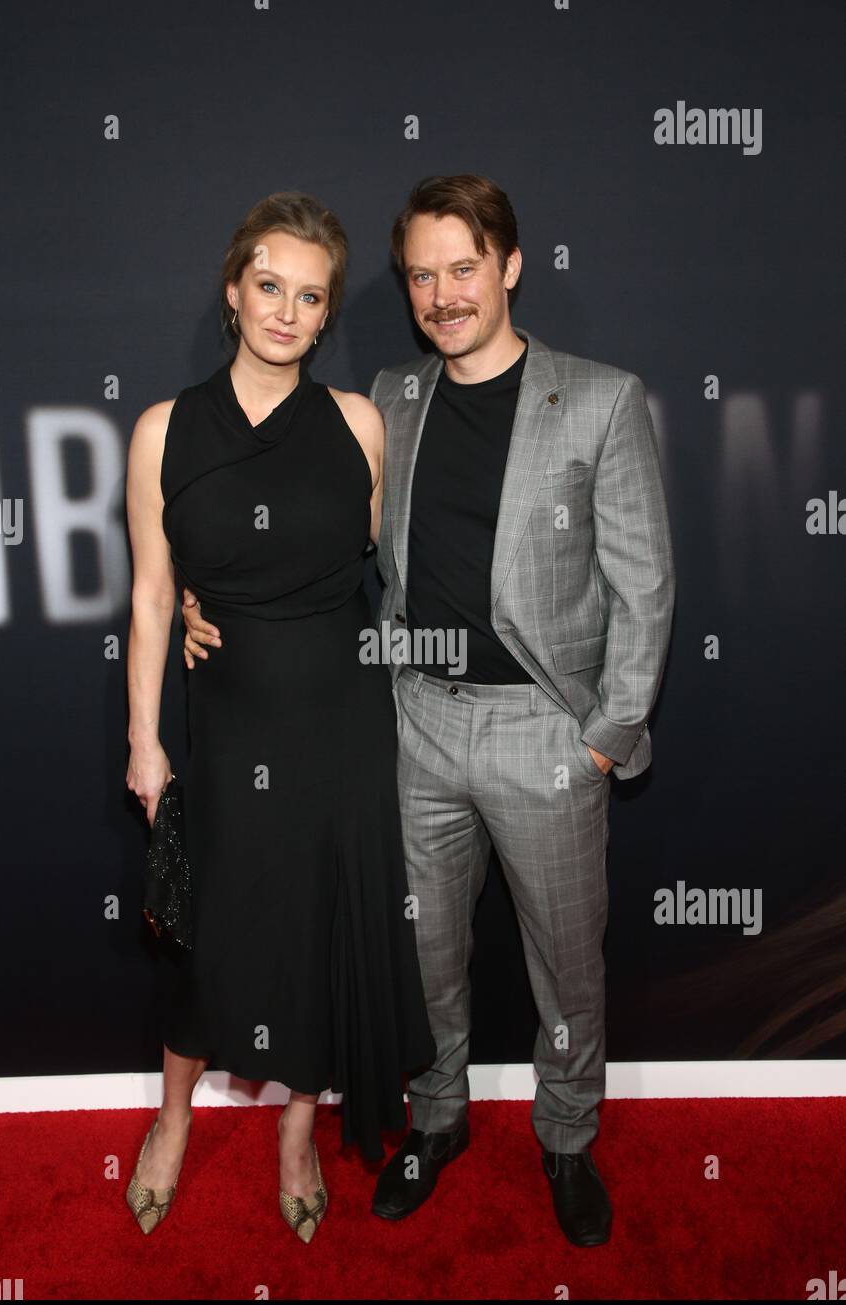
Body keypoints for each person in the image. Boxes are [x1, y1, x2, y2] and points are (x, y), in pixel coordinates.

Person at [182, 173, 676, 1247]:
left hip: (545, 733)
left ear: (507, 266)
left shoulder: (599, 398)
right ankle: (436, 1119)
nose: (442, 293)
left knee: (564, 962)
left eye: (462, 268)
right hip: (410, 722)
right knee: (424, 956)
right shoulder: (391, 400)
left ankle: (565, 1136)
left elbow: (644, 589)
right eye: (420, 275)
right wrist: (193, 591)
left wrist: (602, 738)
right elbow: (293, 527)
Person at [124, 191, 435, 1244]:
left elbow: (386, 579)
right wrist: (144, 736)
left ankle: (298, 1134)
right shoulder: (164, 429)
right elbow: (154, 595)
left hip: (342, 725)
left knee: (317, 935)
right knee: (209, 938)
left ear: (325, 313)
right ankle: (170, 1120)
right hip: (232, 722)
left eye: (310, 297)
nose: (286, 312)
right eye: (269, 287)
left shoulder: (357, 422)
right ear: (232, 290)